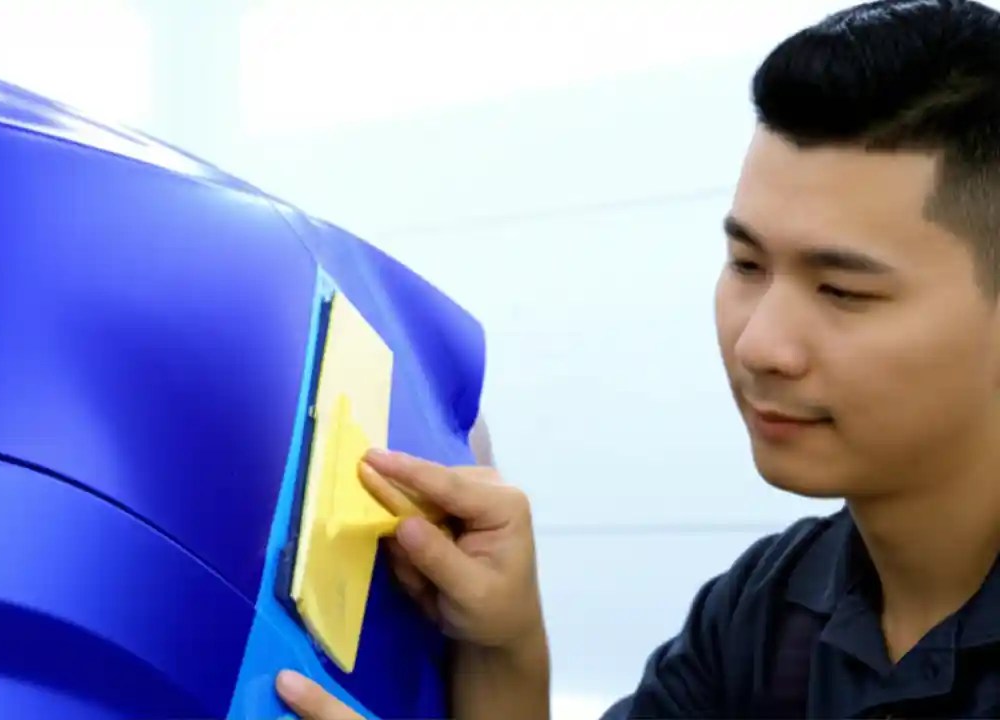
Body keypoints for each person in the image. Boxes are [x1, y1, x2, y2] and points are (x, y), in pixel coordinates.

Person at [274, 0, 1000, 717]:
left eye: (841, 291)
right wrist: (504, 642)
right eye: (747, 265)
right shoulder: (764, 615)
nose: (759, 346)